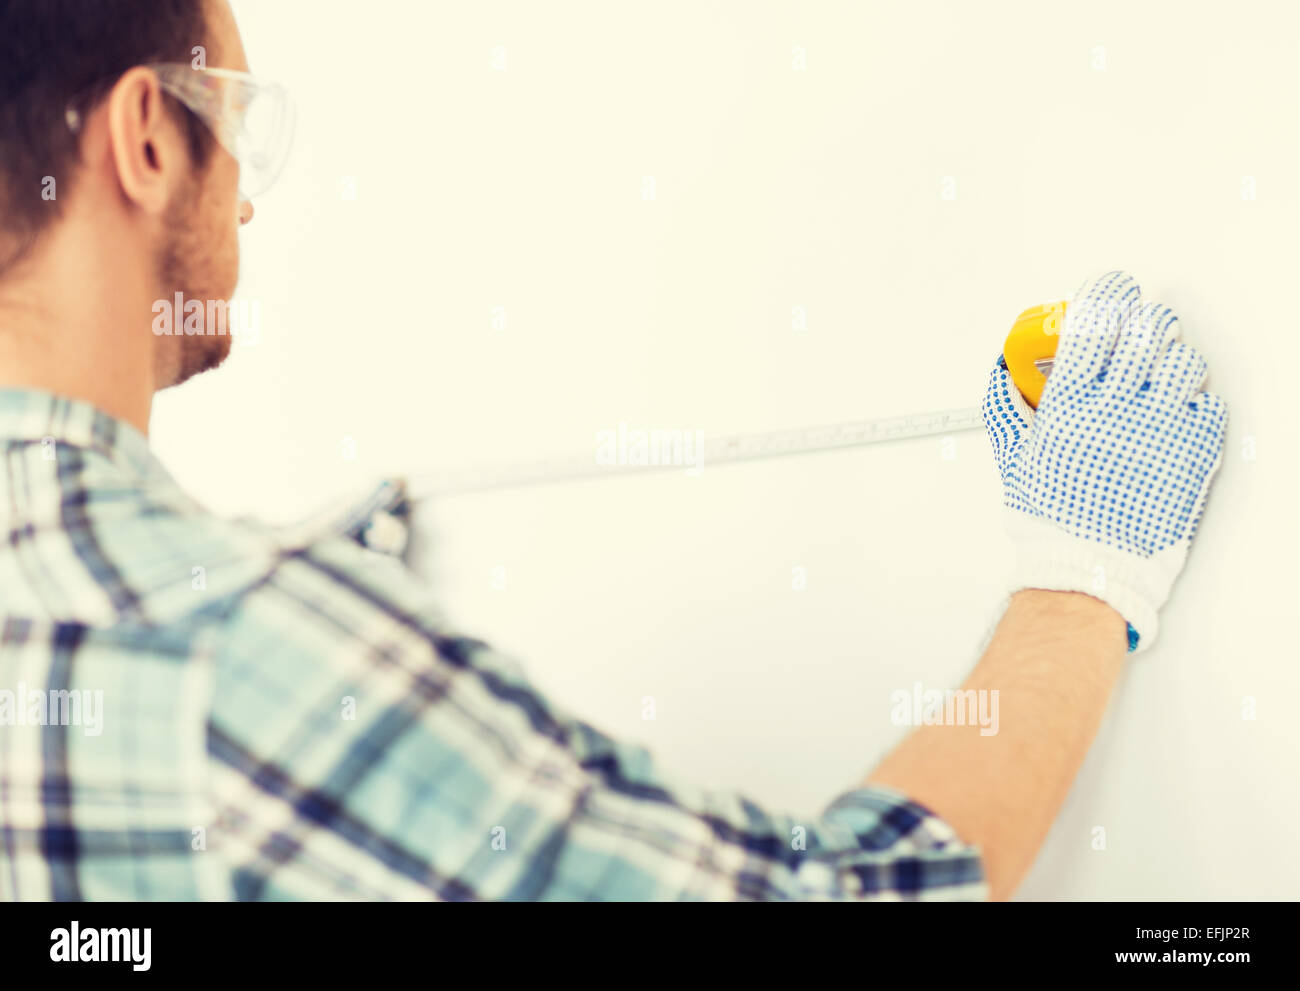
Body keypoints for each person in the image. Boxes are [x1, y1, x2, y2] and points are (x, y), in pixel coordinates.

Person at [0, 0, 1228, 901]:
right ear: (150, 135)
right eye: (238, 129)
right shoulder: (233, 648)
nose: (248, 204)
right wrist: (1082, 579)